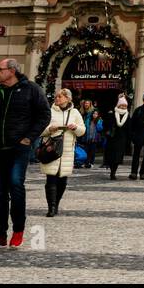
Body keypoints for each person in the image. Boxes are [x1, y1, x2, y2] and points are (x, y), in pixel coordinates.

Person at [0, 58, 50, 250]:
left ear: (11, 71)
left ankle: (18, 231)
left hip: (18, 149)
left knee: (16, 186)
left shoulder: (31, 89)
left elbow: (44, 115)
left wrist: (29, 138)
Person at [40, 89, 84, 217]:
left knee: (62, 181)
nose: (57, 98)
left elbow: (82, 131)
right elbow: (40, 130)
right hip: (51, 150)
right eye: (56, 96)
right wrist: (49, 129)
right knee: (51, 179)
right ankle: (51, 207)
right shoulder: (50, 111)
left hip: (67, 152)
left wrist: (75, 128)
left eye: (60, 96)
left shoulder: (75, 113)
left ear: (68, 99)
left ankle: (56, 203)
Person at [104, 95, 131, 180]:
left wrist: (129, 139)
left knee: (118, 157)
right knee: (112, 156)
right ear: (118, 105)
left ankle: (113, 172)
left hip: (121, 138)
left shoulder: (127, 115)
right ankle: (112, 171)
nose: (123, 107)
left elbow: (129, 127)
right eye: (122, 105)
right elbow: (106, 124)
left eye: (125, 105)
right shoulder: (112, 113)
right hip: (112, 138)